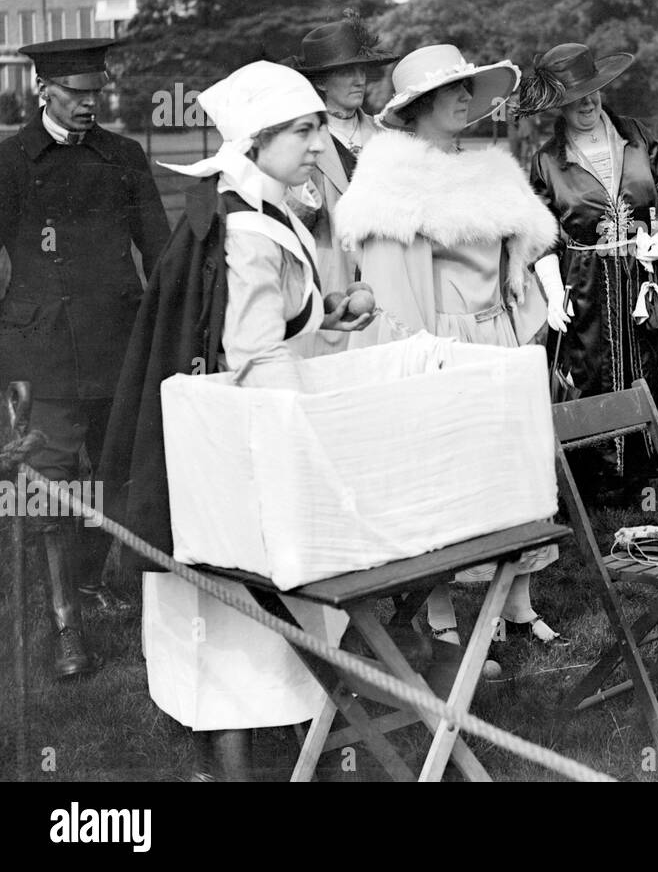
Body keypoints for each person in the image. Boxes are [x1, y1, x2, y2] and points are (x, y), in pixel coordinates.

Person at [101, 60, 374, 780]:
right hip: (242, 448)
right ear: (258, 140)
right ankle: (241, 766)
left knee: (219, 619)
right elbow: (252, 359)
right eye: (306, 130)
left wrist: (327, 317)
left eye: (320, 126)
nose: (320, 144)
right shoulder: (250, 230)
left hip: (205, 441)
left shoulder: (238, 207)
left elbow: (250, 334)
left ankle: (232, 756)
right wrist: (312, 445)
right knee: (243, 616)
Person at [335, 43, 567, 650]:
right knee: (443, 474)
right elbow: (393, 295)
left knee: (512, 469)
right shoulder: (393, 180)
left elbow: (517, 257)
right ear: (420, 104)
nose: (469, 98)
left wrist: (523, 319)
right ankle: (441, 617)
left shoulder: (486, 167)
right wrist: (426, 362)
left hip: (501, 339)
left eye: (471, 88)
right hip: (440, 345)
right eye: (456, 89)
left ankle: (515, 604)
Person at [0, 39, 170, 679]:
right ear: (44, 90)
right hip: (41, 347)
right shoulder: (11, 161)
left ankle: (93, 580)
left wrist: (175, 321)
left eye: (96, 94)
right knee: (48, 481)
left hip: (117, 340)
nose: (88, 105)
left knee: (116, 468)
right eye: (75, 94)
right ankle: (67, 624)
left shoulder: (124, 157)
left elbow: (158, 247)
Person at [516, 43, 658, 491]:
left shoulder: (636, 136)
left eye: (593, 92)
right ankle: (597, 474)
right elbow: (540, 229)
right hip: (586, 281)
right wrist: (551, 283)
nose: (588, 103)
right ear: (559, 106)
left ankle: (653, 469)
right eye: (575, 98)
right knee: (591, 370)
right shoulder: (545, 161)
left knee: (654, 364)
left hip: (647, 277)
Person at [284, 15, 396, 352]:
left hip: (385, 294)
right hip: (326, 296)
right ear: (320, 82)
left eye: (362, 70)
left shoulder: (387, 140)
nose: (359, 79)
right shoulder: (297, 142)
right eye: (346, 71)